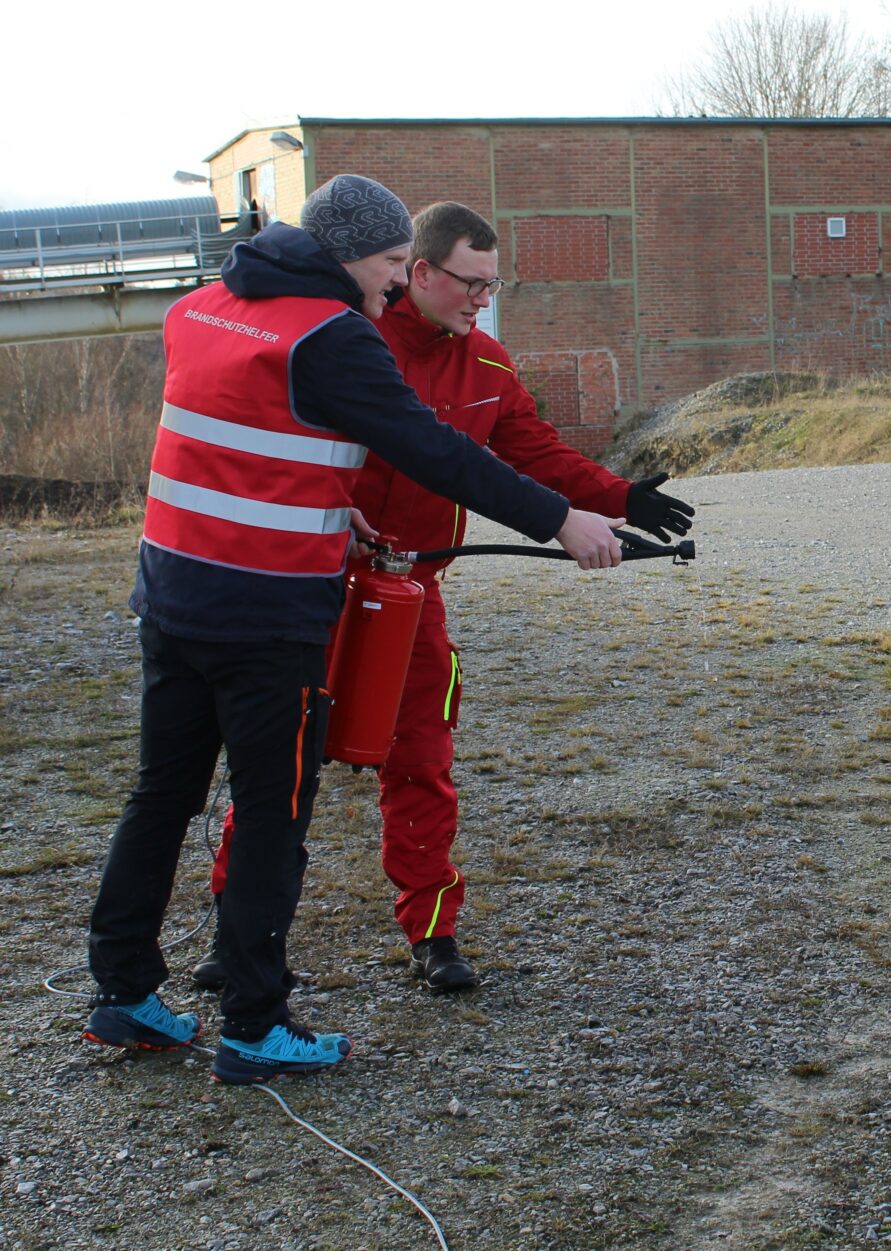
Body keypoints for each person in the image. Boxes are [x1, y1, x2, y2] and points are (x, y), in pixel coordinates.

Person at [82, 176, 628, 1084]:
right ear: (348, 255)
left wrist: (338, 515)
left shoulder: (202, 309)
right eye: (384, 265)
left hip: (173, 597)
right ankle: (255, 1024)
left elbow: (244, 442)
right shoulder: (331, 335)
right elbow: (435, 448)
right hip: (267, 618)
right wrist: (560, 520)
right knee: (271, 811)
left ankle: (124, 992)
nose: (389, 285)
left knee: (159, 798)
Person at [195, 201, 694, 992]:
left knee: (422, 758)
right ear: (418, 272)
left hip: (413, 589)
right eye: (468, 282)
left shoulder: (487, 365)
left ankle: (434, 931)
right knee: (276, 766)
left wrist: (622, 497)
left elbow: (533, 451)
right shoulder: (344, 341)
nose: (479, 301)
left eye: (492, 286)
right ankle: (236, 933)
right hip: (312, 584)